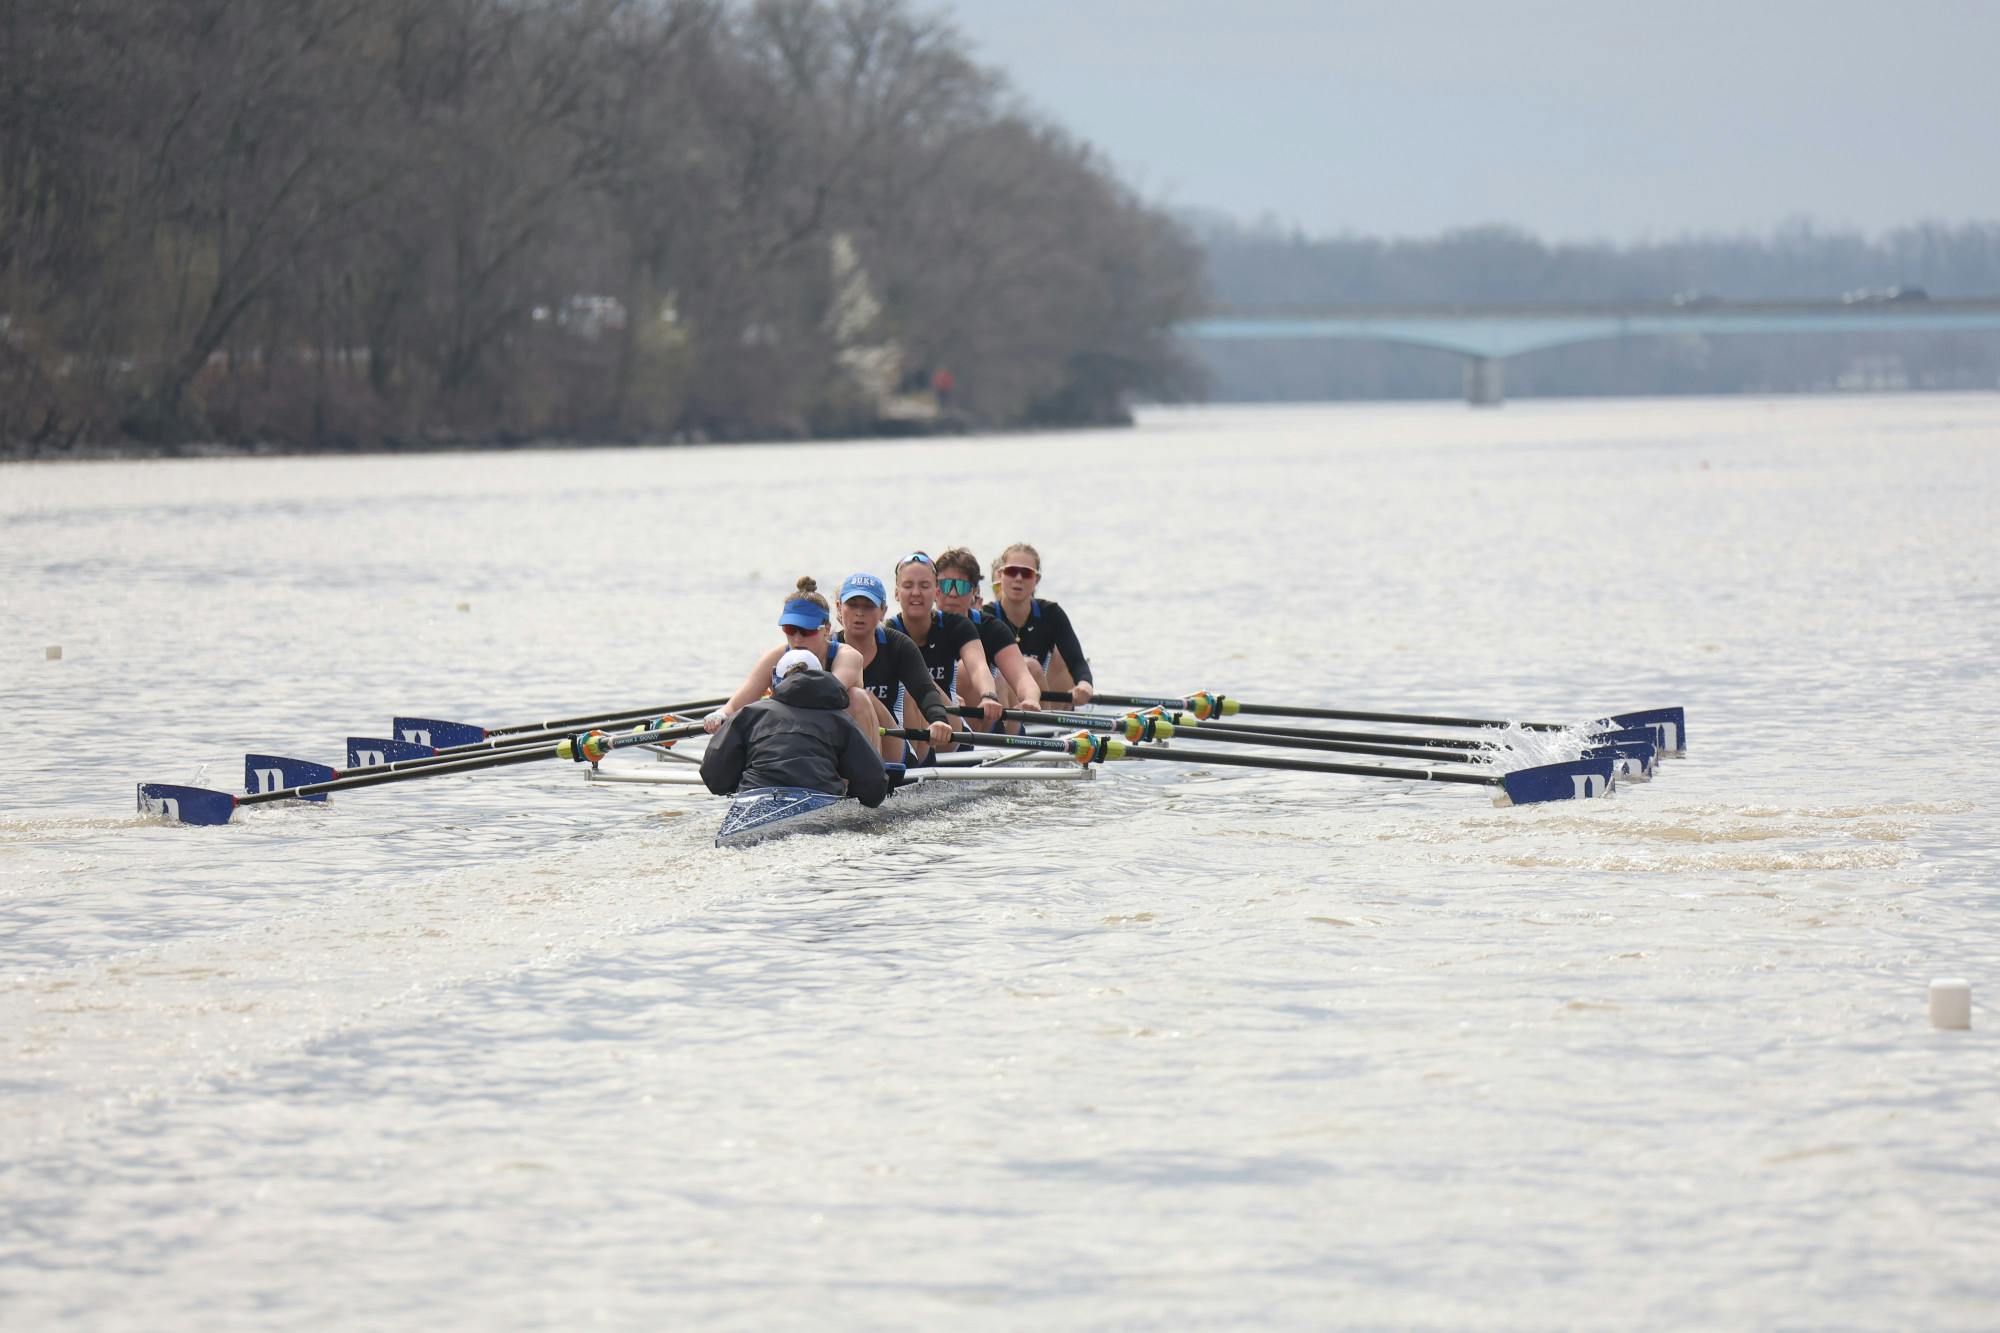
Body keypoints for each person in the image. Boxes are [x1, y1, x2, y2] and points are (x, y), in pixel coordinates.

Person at [699, 648, 888, 806]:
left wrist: (739, 786)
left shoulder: (748, 714)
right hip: (820, 799)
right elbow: (874, 782)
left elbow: (714, 776)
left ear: (775, 681)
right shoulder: (841, 721)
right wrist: (853, 802)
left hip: (754, 797)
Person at [705, 577, 875, 738]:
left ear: (827, 629)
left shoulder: (847, 656)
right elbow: (735, 705)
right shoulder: (775, 657)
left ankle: (870, 769)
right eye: (790, 629)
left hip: (849, 743)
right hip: (802, 736)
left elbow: (825, 691)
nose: (797, 639)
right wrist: (721, 715)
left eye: (807, 630)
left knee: (857, 697)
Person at [886, 551, 1008, 749]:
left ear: (936, 593)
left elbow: (977, 666)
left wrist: (988, 696)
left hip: (951, 732)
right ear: (897, 593)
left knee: (915, 684)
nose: (916, 592)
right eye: (908, 586)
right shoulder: (888, 632)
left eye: (924, 586)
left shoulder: (958, 626)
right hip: (905, 728)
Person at [829, 571, 954, 762]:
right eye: (852, 605)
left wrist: (938, 720)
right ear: (839, 608)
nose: (859, 613)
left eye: (868, 606)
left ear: (883, 611)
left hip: (895, 746)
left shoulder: (898, 645)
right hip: (843, 742)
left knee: (861, 697)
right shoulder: (828, 648)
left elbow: (925, 690)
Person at [933, 547, 1041, 724]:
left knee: (973, 672)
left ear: (974, 592)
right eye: (945, 585)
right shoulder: (921, 625)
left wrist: (1030, 699)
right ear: (935, 589)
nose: (952, 593)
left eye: (960, 586)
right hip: (941, 720)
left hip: (989, 720)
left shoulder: (992, 628)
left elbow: (1022, 676)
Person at [986, 542, 1095, 708]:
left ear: (1036, 579)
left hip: (1039, 702)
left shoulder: (1051, 613)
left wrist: (1085, 684)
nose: (1018, 578)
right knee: (1023, 667)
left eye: (1026, 573)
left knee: (1044, 662)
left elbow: (1077, 661)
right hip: (1001, 702)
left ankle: (1048, 725)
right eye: (1012, 571)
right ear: (1001, 575)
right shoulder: (986, 616)